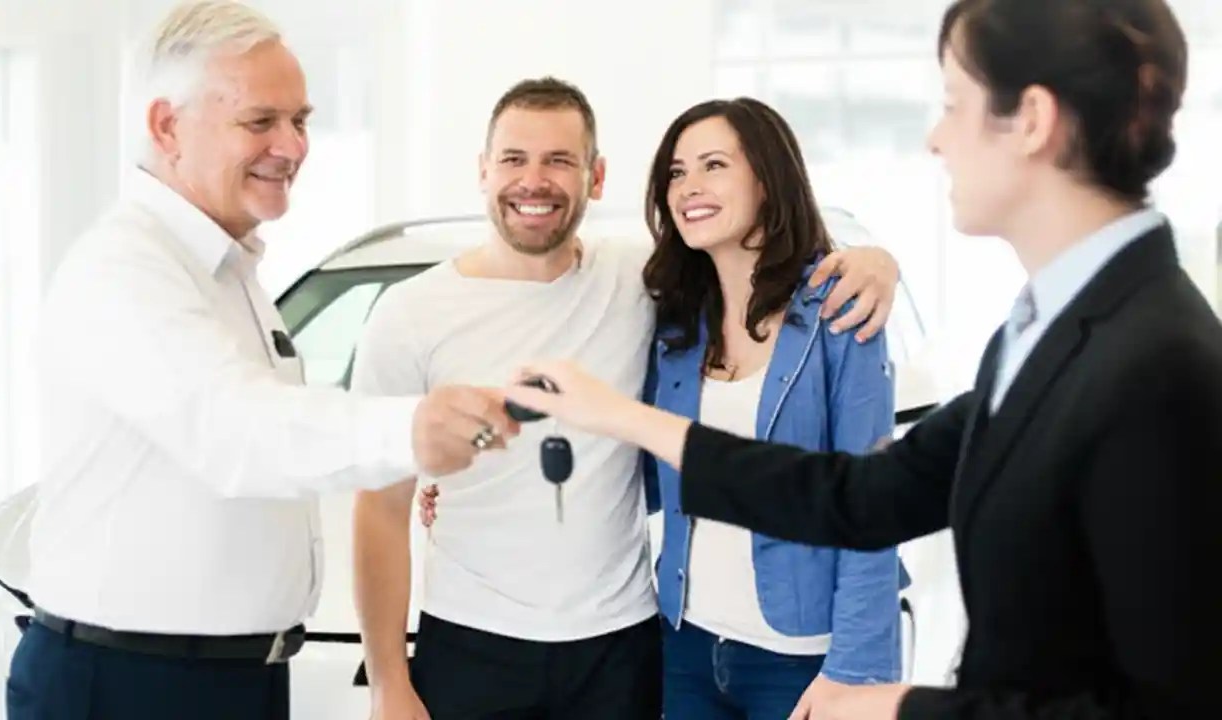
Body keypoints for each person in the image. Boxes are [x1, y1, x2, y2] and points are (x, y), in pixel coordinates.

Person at [502, 1, 1219, 718]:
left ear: (1030, 119)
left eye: (952, 104)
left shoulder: (1162, 367)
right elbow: (861, 496)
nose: (935, 139)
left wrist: (902, 705)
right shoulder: (1036, 338)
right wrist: (620, 418)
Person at [6, 3, 515, 719]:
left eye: (300, 120)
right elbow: (237, 428)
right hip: (130, 684)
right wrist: (410, 431)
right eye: (260, 121)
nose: (294, 146)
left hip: (229, 679)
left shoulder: (230, 272)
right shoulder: (125, 270)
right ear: (166, 126)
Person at [349, 77, 902, 720]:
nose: (534, 180)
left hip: (625, 643)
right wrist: (389, 682)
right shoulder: (410, 313)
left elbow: (763, 266)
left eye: (560, 159)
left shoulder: (644, 283)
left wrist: (877, 259)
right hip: (475, 641)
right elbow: (378, 507)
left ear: (597, 176)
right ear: (482, 171)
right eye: (513, 159)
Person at [640, 97, 903, 720]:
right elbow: (643, 478)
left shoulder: (840, 310)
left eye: (713, 166)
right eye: (676, 173)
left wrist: (858, 671)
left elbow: (873, 506)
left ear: (767, 178)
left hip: (802, 658)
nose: (689, 188)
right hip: (686, 641)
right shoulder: (676, 325)